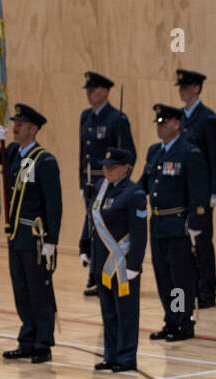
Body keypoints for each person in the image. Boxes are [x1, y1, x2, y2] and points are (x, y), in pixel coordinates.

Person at [0, 103, 62, 364]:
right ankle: (27, 339)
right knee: (21, 289)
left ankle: (42, 343)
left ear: (33, 129)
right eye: (14, 124)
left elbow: (54, 204)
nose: (15, 128)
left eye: (20, 125)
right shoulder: (12, 152)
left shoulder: (44, 160)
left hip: (35, 236)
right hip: (16, 235)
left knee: (39, 291)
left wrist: (52, 240)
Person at [140, 103, 208, 341]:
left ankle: (183, 321)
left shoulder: (189, 152)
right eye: (158, 122)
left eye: (164, 122)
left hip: (179, 224)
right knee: (163, 276)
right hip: (157, 223)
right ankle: (170, 319)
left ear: (177, 124)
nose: (160, 126)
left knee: (180, 279)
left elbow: (199, 191)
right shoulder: (154, 152)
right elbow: (144, 186)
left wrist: (196, 223)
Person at [88, 148, 147, 372]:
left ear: (126, 168)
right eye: (105, 167)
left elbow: (139, 232)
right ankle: (110, 354)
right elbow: (92, 222)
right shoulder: (101, 190)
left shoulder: (134, 193)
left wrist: (135, 264)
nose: (107, 171)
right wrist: (86, 248)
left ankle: (126, 357)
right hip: (103, 264)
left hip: (123, 264)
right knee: (109, 312)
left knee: (126, 313)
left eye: (112, 167)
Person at [77, 72, 134, 295]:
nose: (90, 94)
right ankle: (94, 274)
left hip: (109, 182)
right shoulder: (86, 117)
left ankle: (107, 273)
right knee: (92, 227)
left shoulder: (116, 118)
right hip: (92, 181)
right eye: (88, 90)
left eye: (94, 90)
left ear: (105, 91)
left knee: (107, 230)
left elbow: (129, 153)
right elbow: (83, 152)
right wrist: (82, 181)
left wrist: (120, 182)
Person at [176, 69, 216, 309]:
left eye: (186, 86)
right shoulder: (179, 118)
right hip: (182, 191)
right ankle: (192, 287)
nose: (182, 90)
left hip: (201, 192)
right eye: (180, 87)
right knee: (186, 243)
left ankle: (208, 292)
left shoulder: (207, 118)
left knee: (202, 243)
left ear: (197, 88)